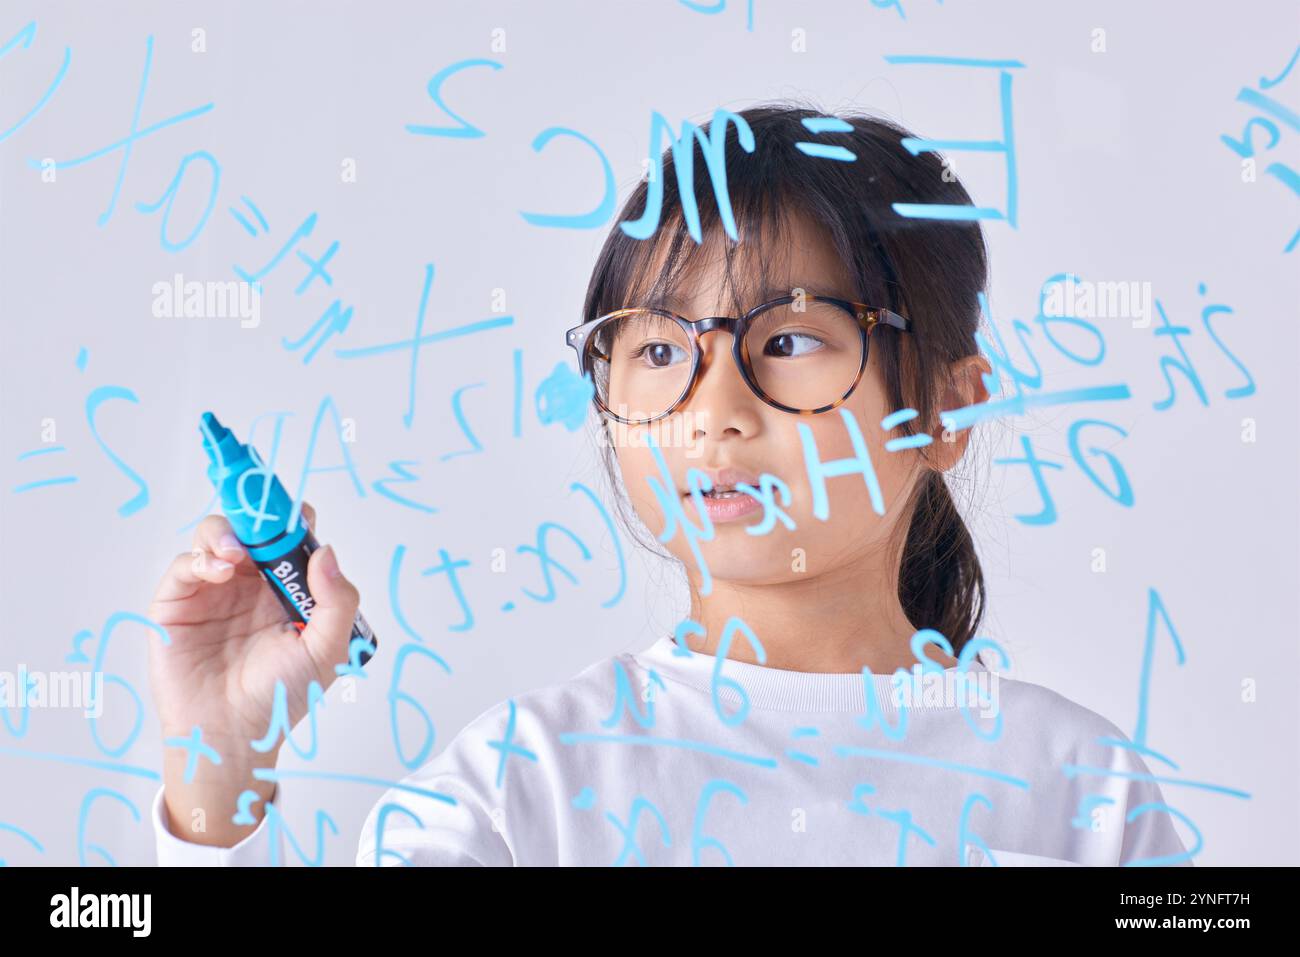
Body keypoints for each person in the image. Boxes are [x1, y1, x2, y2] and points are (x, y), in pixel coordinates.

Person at [146, 103, 1192, 866]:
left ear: (946, 411)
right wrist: (215, 776)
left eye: (786, 339)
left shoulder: (1078, 791)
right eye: (655, 351)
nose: (712, 406)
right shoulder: (524, 785)